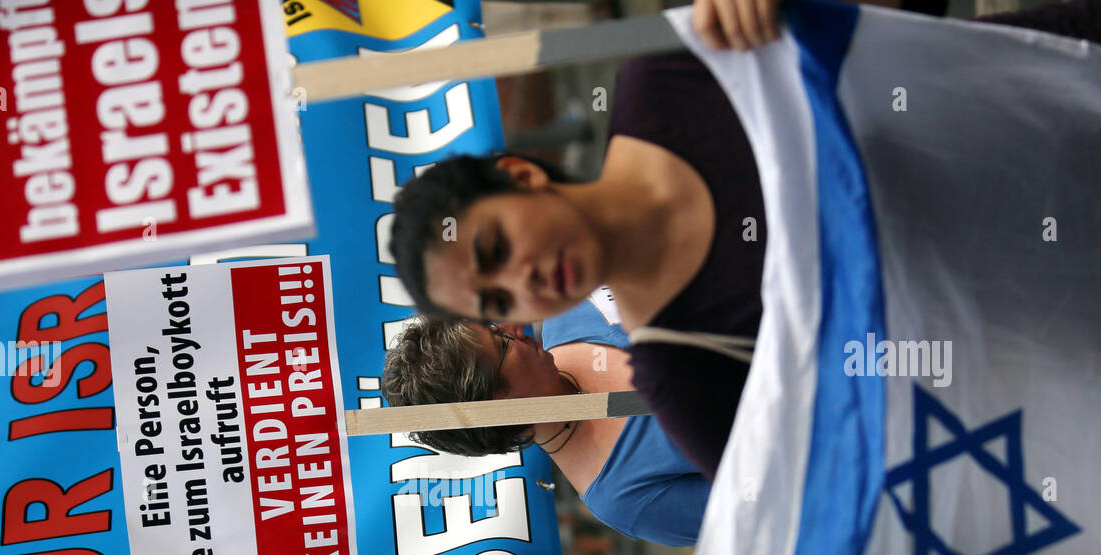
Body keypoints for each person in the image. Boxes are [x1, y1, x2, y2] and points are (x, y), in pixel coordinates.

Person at [388, 0, 1101, 480]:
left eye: (494, 249)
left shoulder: (668, 76)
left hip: (1058, 88)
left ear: (517, 175)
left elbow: (897, 24)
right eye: (497, 295)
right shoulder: (692, 386)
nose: (525, 282)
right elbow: (882, 475)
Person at [383, 291, 710, 546]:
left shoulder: (571, 309)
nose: (515, 327)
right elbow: (756, 511)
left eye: (494, 326)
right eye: (502, 342)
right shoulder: (625, 497)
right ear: (500, 402)